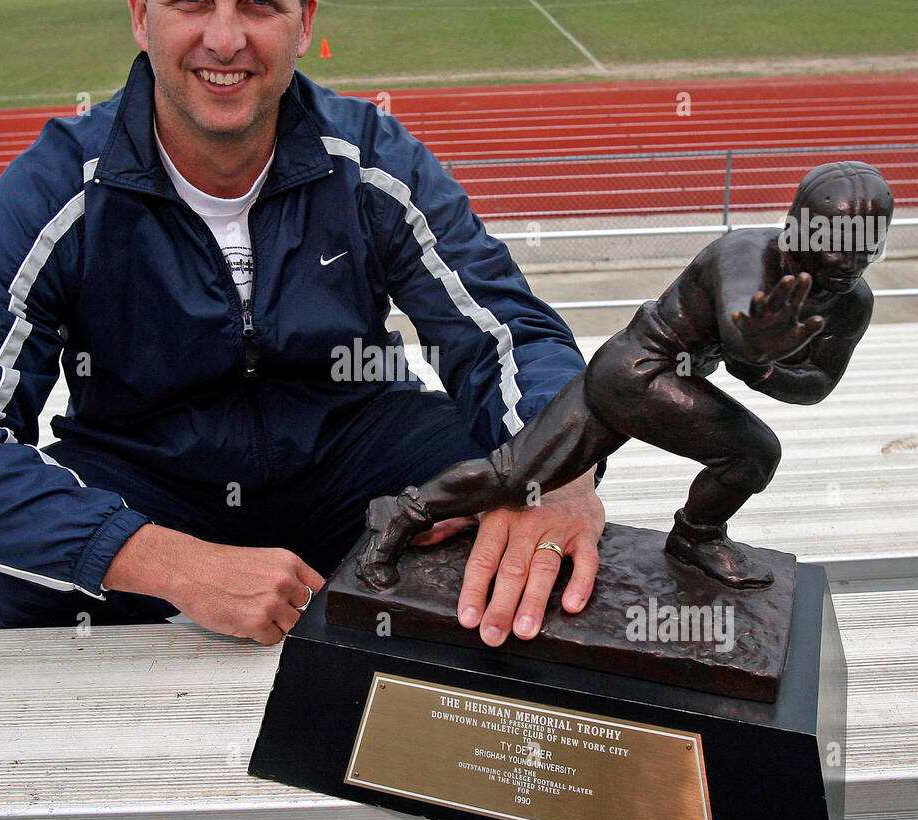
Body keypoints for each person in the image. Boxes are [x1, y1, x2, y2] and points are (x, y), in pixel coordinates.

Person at [0, 0, 605, 657]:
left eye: (257, 0)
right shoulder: (57, 189)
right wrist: (167, 561)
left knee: (526, 534)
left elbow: (505, 331)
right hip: (146, 477)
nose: (225, 38)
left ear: (303, 19)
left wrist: (556, 470)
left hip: (356, 453)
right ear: (139, 12)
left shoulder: (370, 160)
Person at [358, 160, 891, 591]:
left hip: (658, 372)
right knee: (752, 452)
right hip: (638, 369)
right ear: (796, 231)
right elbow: (741, 339)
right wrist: (760, 358)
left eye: (858, 262)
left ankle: (401, 513)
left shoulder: (851, 301)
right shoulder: (745, 254)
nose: (840, 276)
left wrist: (766, 367)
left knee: (516, 476)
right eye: (830, 259)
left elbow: (815, 386)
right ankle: (696, 536)